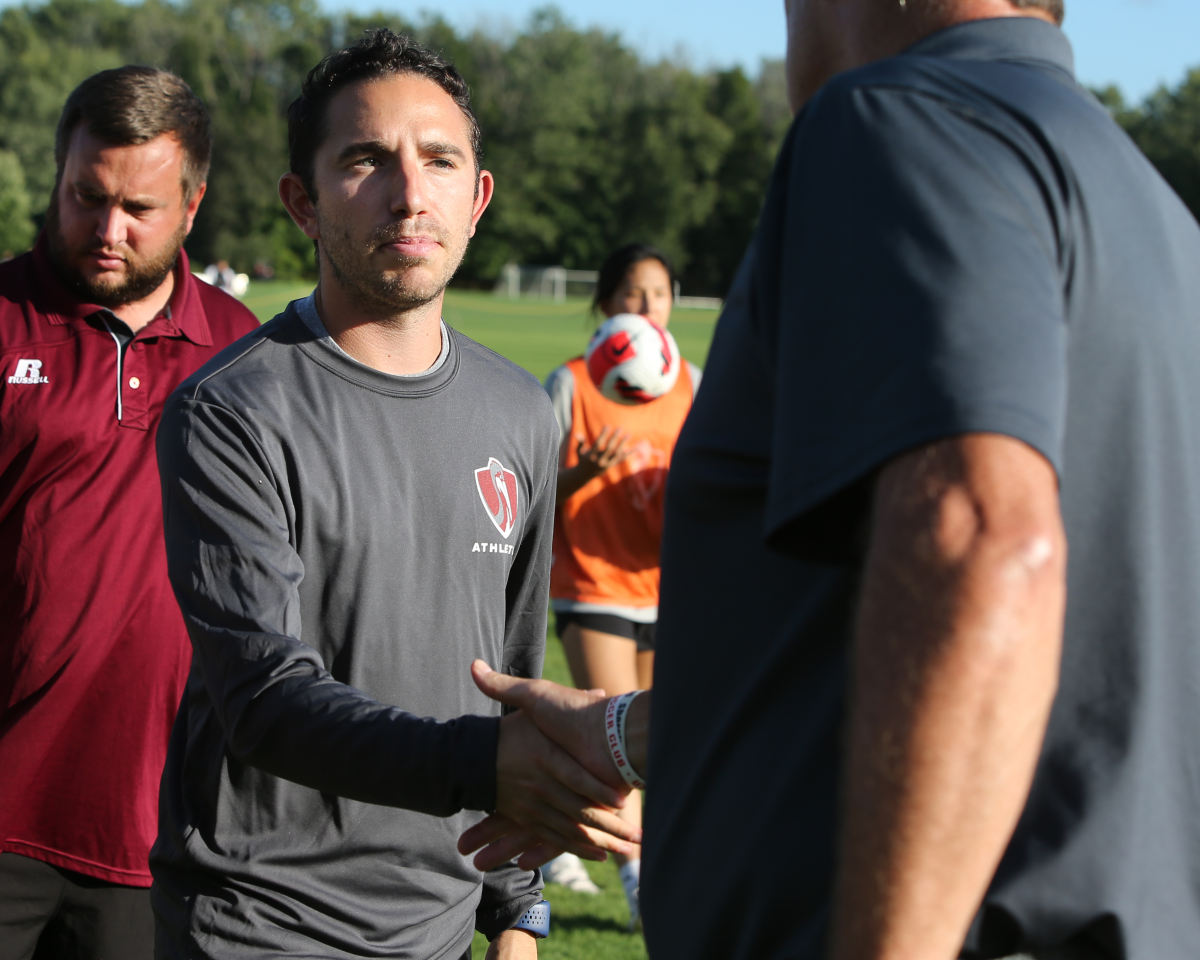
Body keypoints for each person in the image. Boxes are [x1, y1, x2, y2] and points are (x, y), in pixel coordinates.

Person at [461, 1, 1200, 959]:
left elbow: (979, 544)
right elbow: (925, 647)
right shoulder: (1157, 214)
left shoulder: (896, 118)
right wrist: (626, 736)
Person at [151, 30, 637, 960]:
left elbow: (511, 671)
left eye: (439, 160)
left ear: (478, 198)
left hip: (442, 926)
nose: (410, 194)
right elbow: (264, 700)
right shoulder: (230, 411)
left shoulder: (520, 413)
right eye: (366, 160)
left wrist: (517, 908)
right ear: (303, 202)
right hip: (260, 926)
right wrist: (487, 766)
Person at [0, 67, 260, 960]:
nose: (108, 230)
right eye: (87, 196)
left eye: (138, 208)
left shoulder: (244, 351)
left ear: (192, 205)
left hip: (157, 825)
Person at [540, 244, 700, 919]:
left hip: (667, 590)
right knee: (617, 737)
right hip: (590, 583)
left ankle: (549, 834)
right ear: (606, 302)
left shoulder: (692, 382)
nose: (647, 306)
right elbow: (531, 493)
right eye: (633, 293)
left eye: (659, 293)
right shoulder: (572, 383)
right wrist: (586, 473)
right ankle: (643, 892)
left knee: (659, 744)